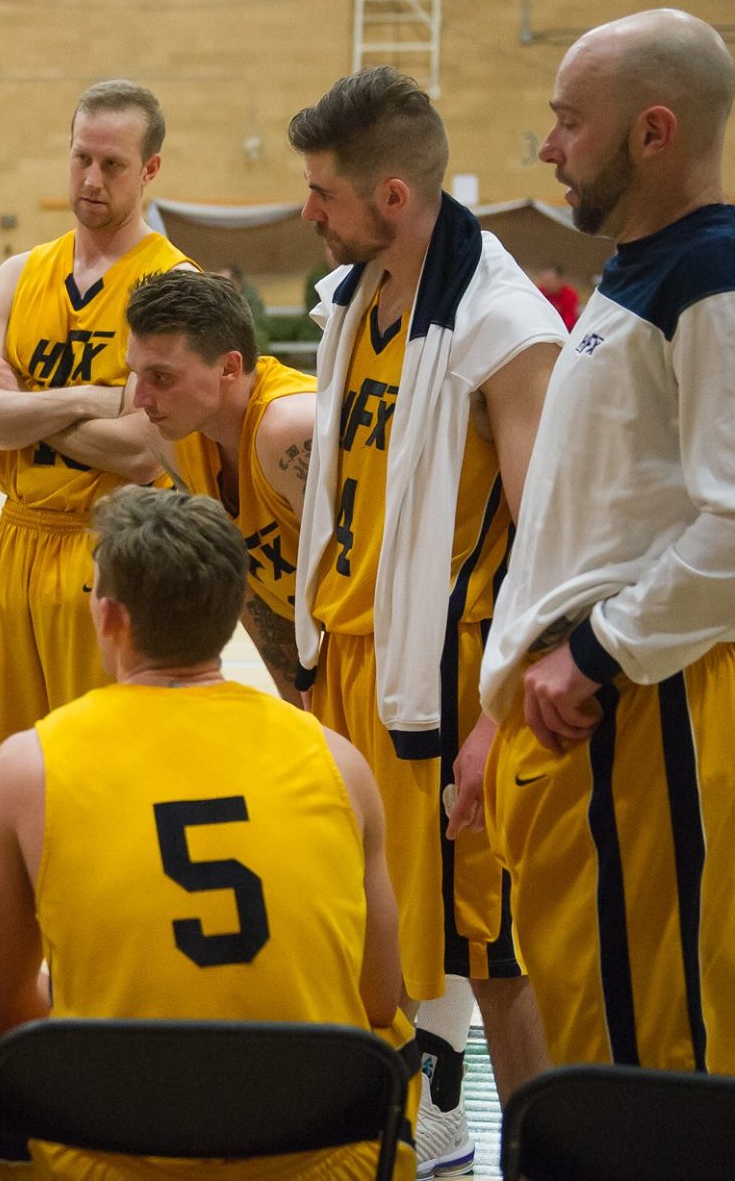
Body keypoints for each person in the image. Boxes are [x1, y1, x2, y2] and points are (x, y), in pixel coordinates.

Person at [452, 8, 735, 1079]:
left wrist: (594, 652)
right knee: (595, 1056)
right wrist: (498, 703)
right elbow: (587, 514)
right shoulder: (641, 268)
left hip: (650, 717)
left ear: (650, 132)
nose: (546, 147)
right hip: (590, 720)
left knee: (658, 1081)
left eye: (567, 122)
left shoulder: (717, 275)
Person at [0, 486, 412, 1180]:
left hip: (112, 1151)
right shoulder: (337, 760)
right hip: (315, 1153)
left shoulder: (29, 766)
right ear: (234, 614)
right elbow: (379, 998)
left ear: (107, 616)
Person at [290, 66, 563, 1171]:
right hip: (348, 660)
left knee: (488, 946)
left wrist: (502, 715)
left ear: (391, 197)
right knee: (376, 921)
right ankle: (414, 1112)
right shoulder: (356, 298)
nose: (305, 211)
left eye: (321, 192)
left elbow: (543, 530)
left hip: (443, 685)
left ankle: (553, 1147)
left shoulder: (499, 321)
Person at [0, 80, 208, 804]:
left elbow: (140, 449)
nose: (92, 180)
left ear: (151, 169)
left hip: (112, 550)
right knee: (8, 786)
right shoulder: (17, 274)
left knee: (101, 785)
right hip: (14, 543)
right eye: (81, 158)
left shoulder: (175, 283)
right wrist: (88, 399)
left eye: (114, 164)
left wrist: (19, 401)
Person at [125, 269, 314, 700]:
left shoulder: (290, 430)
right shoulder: (175, 435)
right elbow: (250, 577)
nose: (139, 399)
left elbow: (368, 592)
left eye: (161, 377)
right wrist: (297, 696)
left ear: (229, 367)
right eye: (135, 375)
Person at [529, 263, 580, 329]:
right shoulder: (538, 292)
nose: (545, 284)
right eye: (544, 280)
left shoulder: (570, 295)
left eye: (549, 281)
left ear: (560, 280)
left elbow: (569, 320)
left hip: (561, 330)